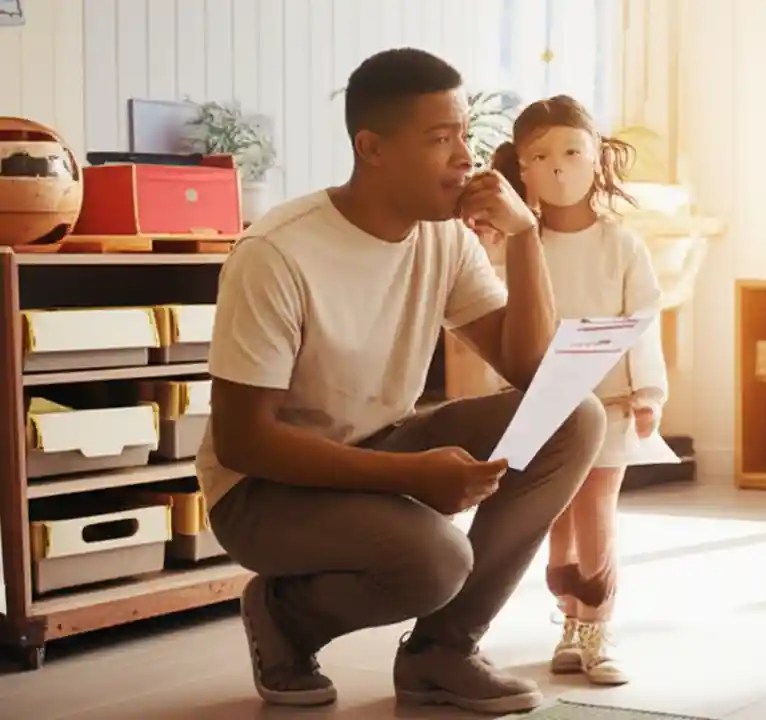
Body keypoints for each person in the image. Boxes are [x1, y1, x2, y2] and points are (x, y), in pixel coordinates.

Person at [195, 49, 606, 715]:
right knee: (436, 561)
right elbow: (245, 443)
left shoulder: (442, 238)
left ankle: (442, 652)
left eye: (464, 137)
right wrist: (410, 476)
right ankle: (284, 614)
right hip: (263, 492)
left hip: (377, 443)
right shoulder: (277, 254)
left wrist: (526, 236)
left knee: (575, 416)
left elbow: (533, 372)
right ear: (373, 149)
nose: (464, 159)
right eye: (441, 140)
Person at [490, 95, 671, 686]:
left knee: (597, 512)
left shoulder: (621, 245)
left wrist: (649, 391)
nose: (559, 165)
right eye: (541, 155)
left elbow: (644, 315)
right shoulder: (520, 245)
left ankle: (599, 628)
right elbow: (501, 322)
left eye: (572, 150)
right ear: (523, 169)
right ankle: (569, 623)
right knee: (557, 516)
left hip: (611, 403)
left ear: (597, 158)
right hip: (546, 405)